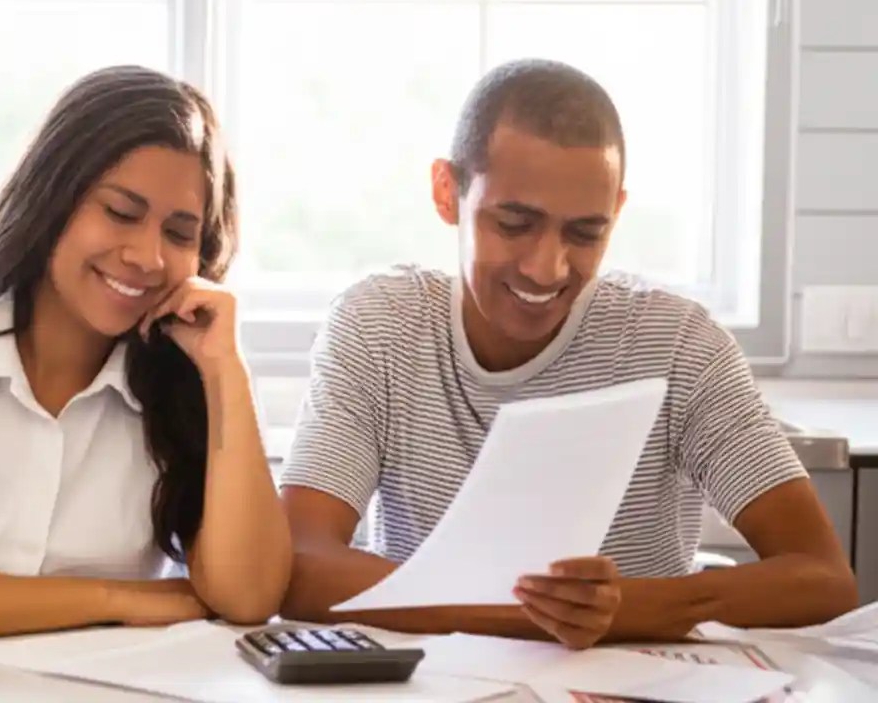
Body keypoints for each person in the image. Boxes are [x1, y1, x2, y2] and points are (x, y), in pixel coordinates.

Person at [277, 58, 858, 649]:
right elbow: (297, 566)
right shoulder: (380, 328)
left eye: (585, 234)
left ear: (617, 214)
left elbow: (823, 578)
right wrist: (535, 617)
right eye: (514, 223)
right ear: (447, 193)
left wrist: (632, 606)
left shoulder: (677, 344)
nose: (547, 268)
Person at [0, 65, 292, 644]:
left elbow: (249, 596)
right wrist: (116, 599)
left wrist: (225, 373)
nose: (148, 256)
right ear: (52, 197)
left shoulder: (188, 377)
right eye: (120, 212)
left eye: (180, 234)